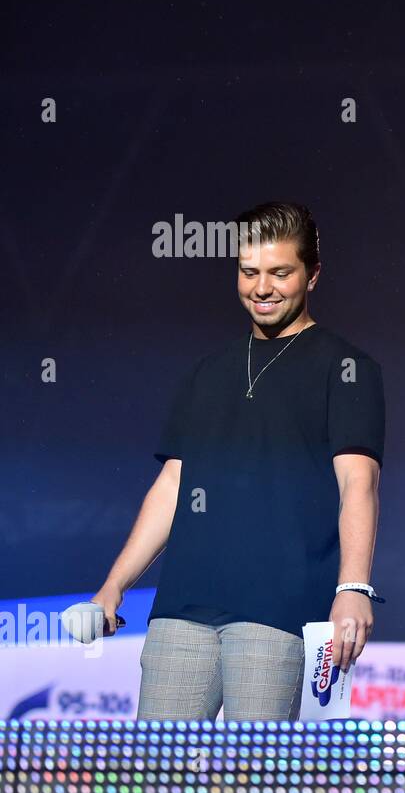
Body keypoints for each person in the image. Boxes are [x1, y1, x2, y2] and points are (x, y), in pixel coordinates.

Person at [91, 201, 386, 721]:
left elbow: (357, 484)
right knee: (158, 786)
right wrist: (115, 583)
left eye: (280, 272)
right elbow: (173, 485)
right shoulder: (207, 372)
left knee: (252, 784)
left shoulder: (347, 369)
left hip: (277, 613)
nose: (263, 287)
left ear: (312, 275)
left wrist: (353, 587)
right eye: (250, 272)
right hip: (181, 609)